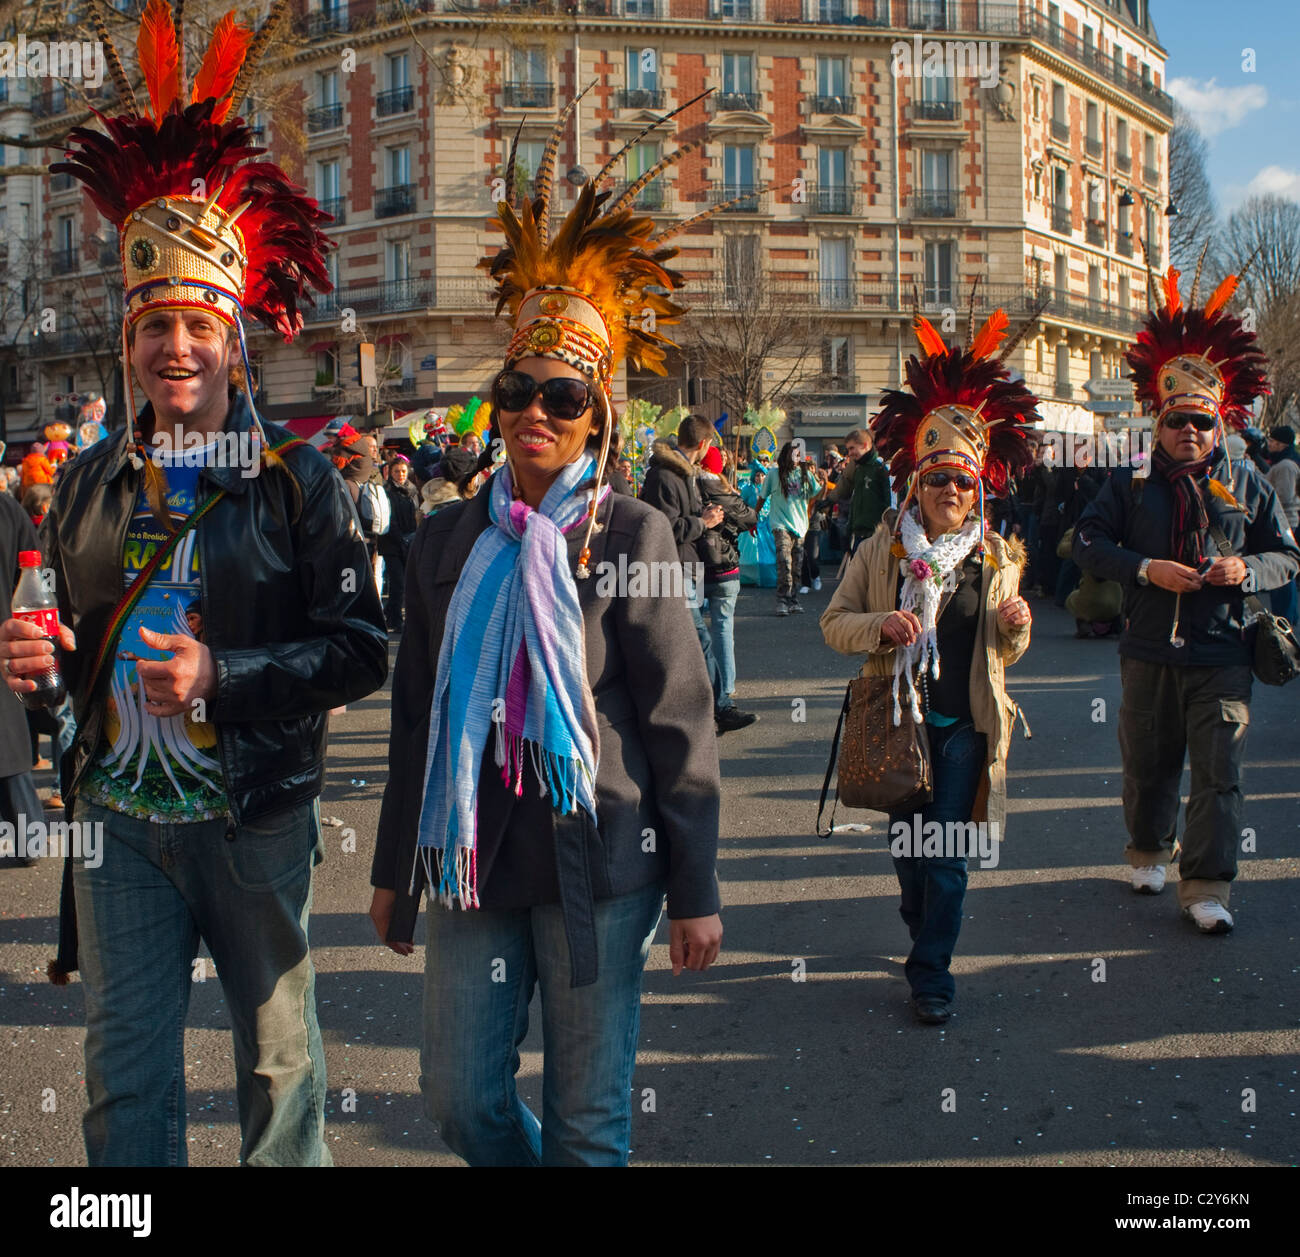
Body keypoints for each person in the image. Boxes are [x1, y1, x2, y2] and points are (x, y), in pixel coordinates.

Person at [0, 15, 389, 1166]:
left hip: (254, 816)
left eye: (197, 327)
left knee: (281, 1071)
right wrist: (40, 663)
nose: (176, 347)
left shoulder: (297, 480)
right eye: (154, 325)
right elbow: (70, 640)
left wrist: (227, 673)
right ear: (129, 341)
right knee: (122, 1076)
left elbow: (362, 646)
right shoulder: (83, 481)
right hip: (119, 817)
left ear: (234, 342)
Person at [369, 114, 723, 1166]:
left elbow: (677, 723)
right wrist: (396, 866)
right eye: (517, 391)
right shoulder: (446, 536)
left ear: (595, 416)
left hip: (600, 867)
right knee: (457, 1099)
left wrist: (696, 888)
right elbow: (414, 714)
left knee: (589, 1122)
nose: (535, 411)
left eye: (561, 397)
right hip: (472, 859)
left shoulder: (635, 531)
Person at [821, 308, 1036, 1025]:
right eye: (940, 478)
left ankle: (932, 976)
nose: (953, 492)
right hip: (895, 721)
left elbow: (1007, 653)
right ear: (917, 482)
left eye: (965, 483)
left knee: (946, 856)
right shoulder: (881, 551)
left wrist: (1018, 627)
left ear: (981, 490)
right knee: (911, 859)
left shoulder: (997, 558)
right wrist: (881, 623)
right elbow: (833, 623)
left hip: (963, 730)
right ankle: (920, 923)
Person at [1073, 266, 1300, 933]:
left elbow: (1287, 554)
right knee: (1147, 760)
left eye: (1203, 420)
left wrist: (1244, 569)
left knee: (1219, 770)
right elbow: (1086, 540)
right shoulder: (1129, 480)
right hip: (1148, 648)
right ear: (1160, 420)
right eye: (1178, 420)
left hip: (1224, 650)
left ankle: (1207, 884)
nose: (1190, 431)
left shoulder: (1249, 484)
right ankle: (1148, 847)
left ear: (1218, 421)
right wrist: (1145, 568)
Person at [641, 416, 758, 732]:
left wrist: (704, 521)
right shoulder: (665, 476)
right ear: (705, 444)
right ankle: (719, 707)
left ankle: (698, 708)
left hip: (683, 568)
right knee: (700, 641)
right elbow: (663, 527)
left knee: (687, 642)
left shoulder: (679, 475)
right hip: (671, 569)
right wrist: (702, 522)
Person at [0, 489, 44, 869]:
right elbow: (35, 572)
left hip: (10, 644)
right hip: (10, 640)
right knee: (8, 744)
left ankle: (27, 836)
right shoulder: (7, 507)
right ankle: (28, 837)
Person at [697, 444, 758, 719]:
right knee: (723, 629)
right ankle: (727, 686)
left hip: (692, 569)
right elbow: (750, 517)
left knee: (695, 634)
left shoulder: (687, 487)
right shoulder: (724, 492)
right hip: (725, 568)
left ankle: (702, 687)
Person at [758, 441, 822, 615]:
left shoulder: (805, 474)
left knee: (797, 566)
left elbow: (817, 493)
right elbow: (762, 497)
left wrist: (822, 481)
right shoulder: (774, 474)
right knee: (784, 562)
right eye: (793, 455)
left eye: (799, 456)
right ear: (786, 455)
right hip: (780, 524)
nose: (796, 459)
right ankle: (782, 601)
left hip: (800, 526)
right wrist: (752, 517)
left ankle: (793, 600)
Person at [835, 427, 891, 555]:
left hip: (876, 535)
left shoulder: (880, 469)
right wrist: (848, 533)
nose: (849, 453)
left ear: (865, 445)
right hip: (859, 536)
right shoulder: (859, 470)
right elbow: (855, 503)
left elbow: (889, 504)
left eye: (852, 448)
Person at [380, 454, 420, 632]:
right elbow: (390, 518)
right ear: (390, 472)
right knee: (397, 582)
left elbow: (417, 514)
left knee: (408, 582)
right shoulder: (386, 491)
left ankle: (393, 613)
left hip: (410, 539)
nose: (401, 474)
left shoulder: (413, 490)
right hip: (392, 542)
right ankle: (394, 620)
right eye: (397, 471)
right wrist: (401, 538)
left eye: (403, 471)